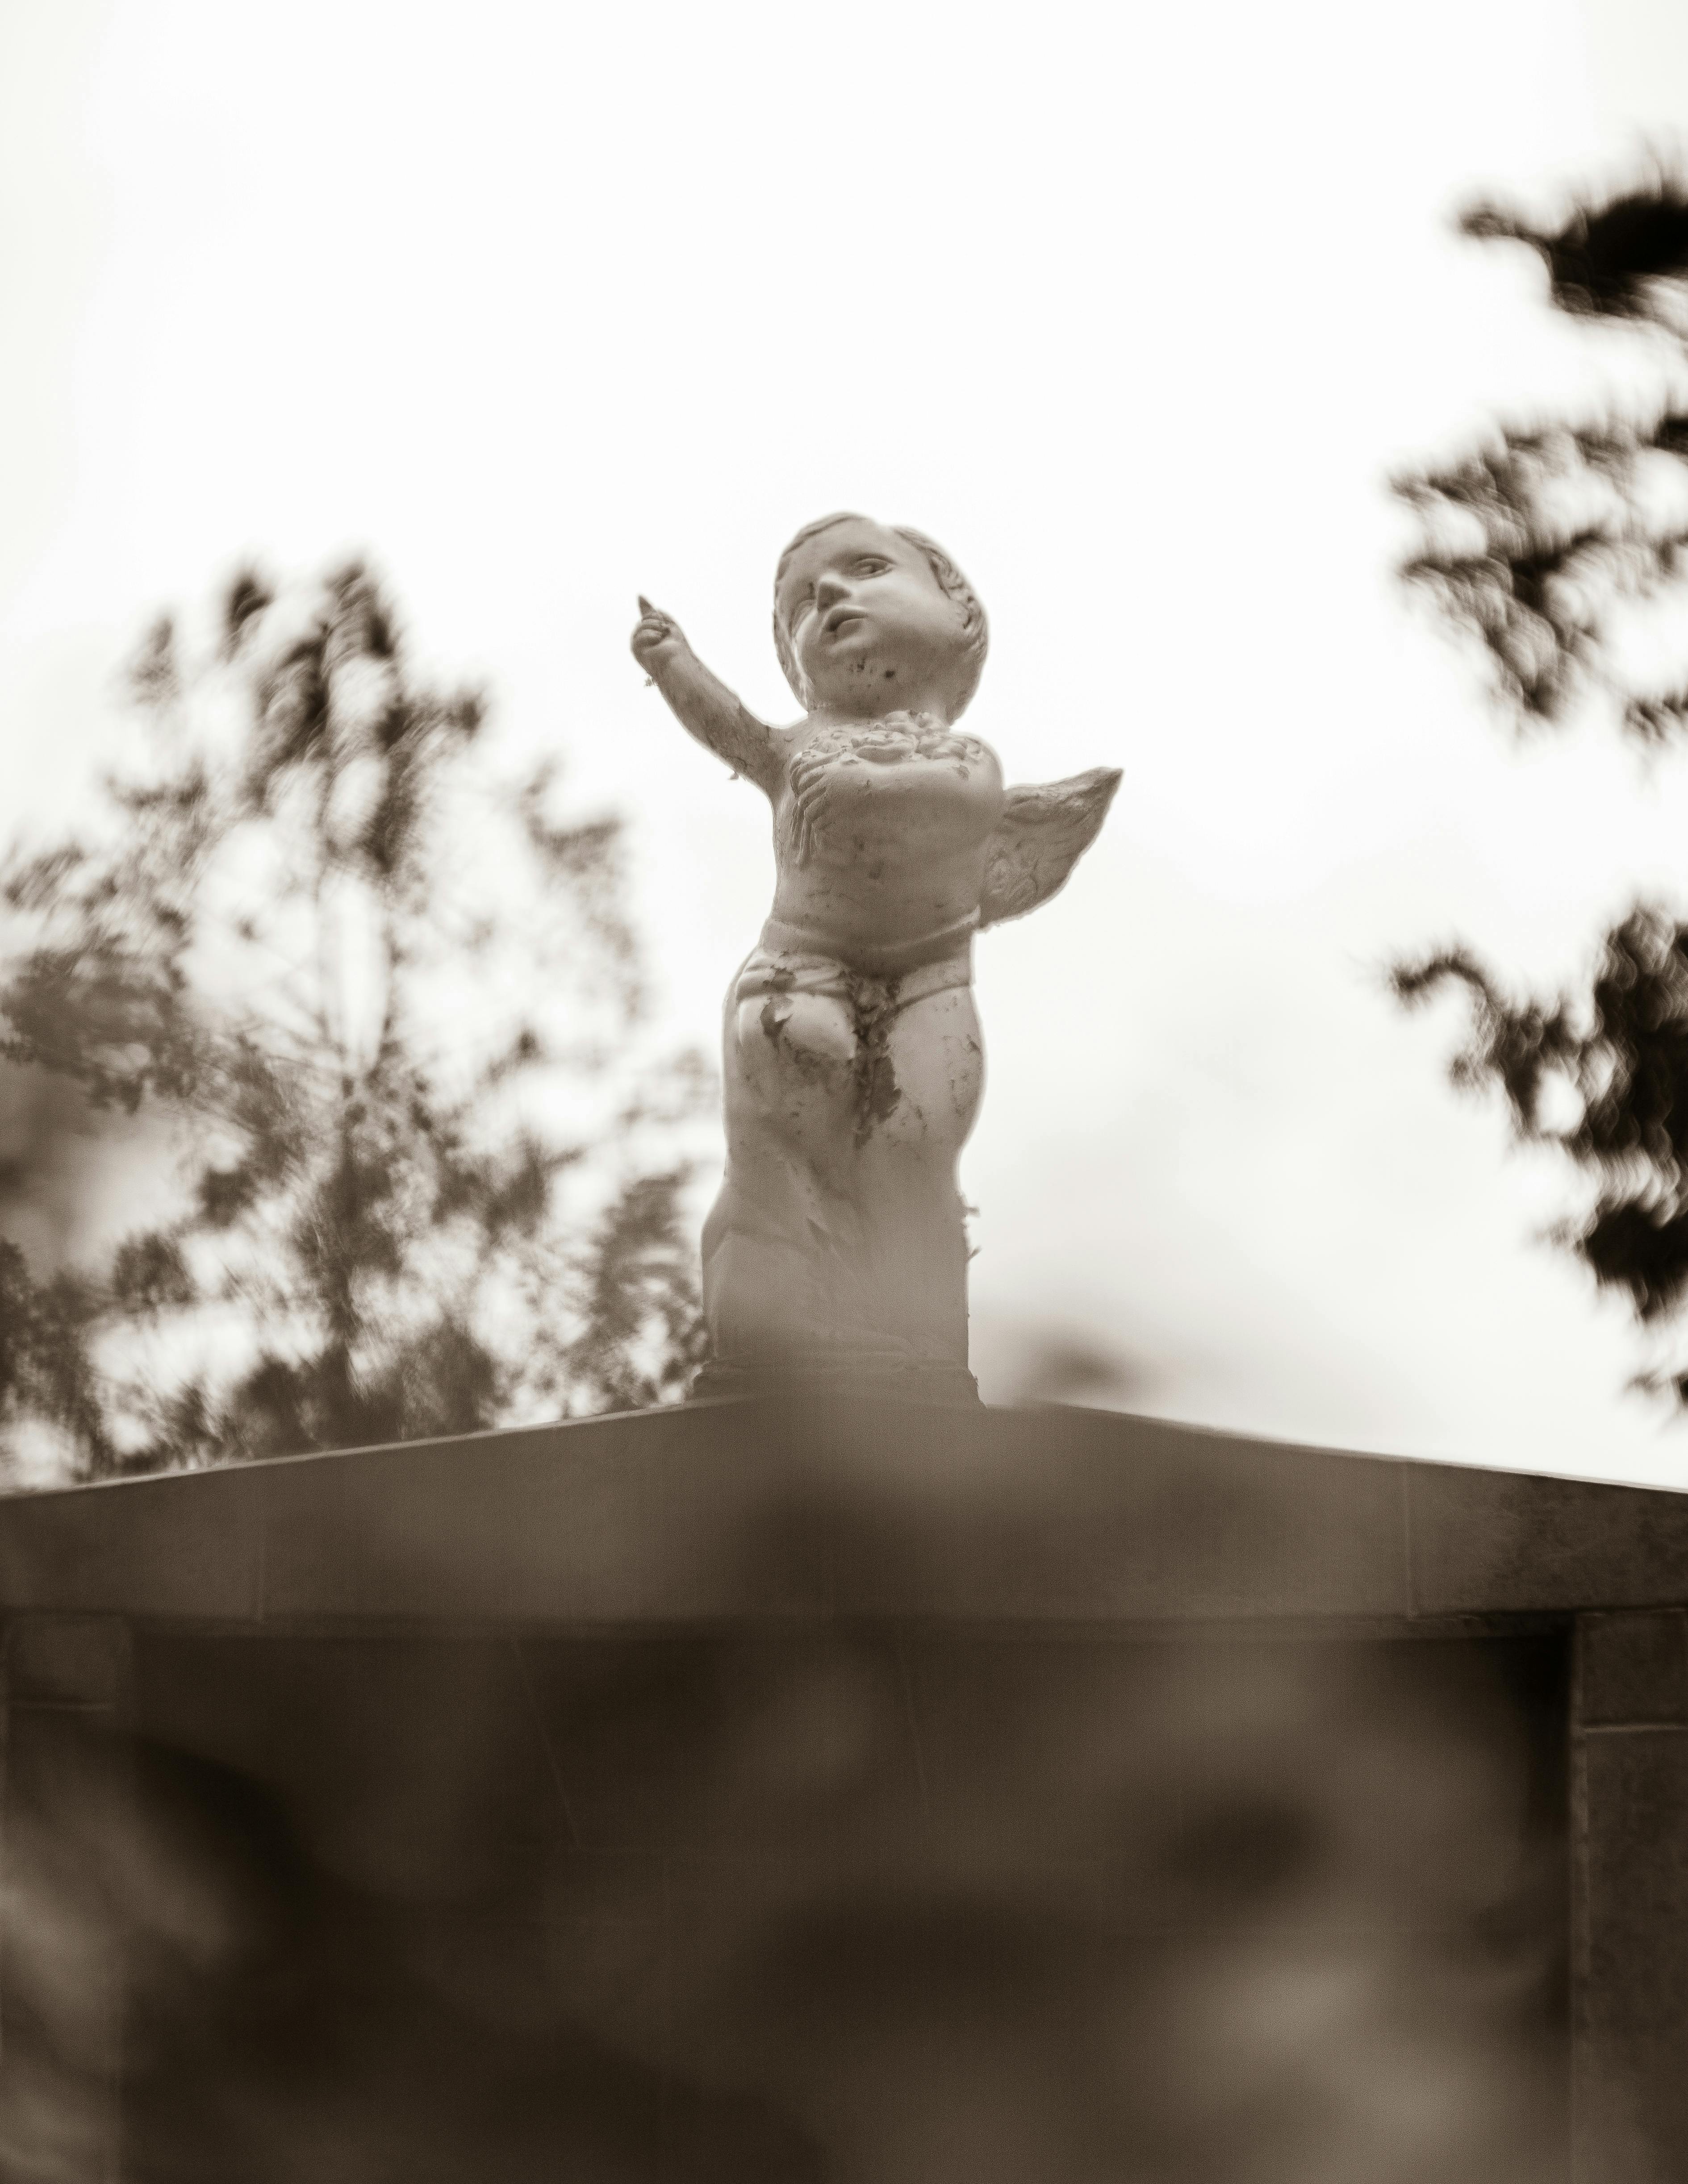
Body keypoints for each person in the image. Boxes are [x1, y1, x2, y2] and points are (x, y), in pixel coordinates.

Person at [633, 513, 1118, 1400]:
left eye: (862, 569)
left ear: (957, 610)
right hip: (797, 975)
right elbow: (729, 726)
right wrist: (673, 664)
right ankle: (769, 1331)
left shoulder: (965, 758)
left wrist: (858, 780)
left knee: (913, 1148)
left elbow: (954, 802)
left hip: (931, 987)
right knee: (788, 1140)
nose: (826, 598)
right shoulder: (794, 748)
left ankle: (919, 1342)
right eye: (800, 609)